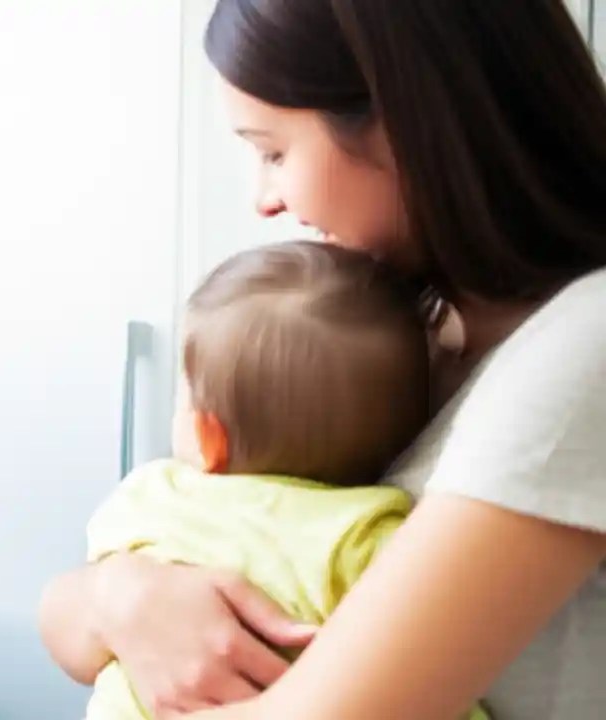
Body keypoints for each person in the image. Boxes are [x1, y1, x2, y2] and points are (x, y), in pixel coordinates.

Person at [38, 1, 606, 718]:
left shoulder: (584, 346)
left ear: (405, 120)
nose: (264, 199)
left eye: (273, 151)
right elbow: (63, 617)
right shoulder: (419, 329)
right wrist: (122, 596)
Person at [82, 240, 483, 720]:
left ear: (209, 435)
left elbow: (84, 599)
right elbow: (438, 686)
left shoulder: (148, 497)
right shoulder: (366, 538)